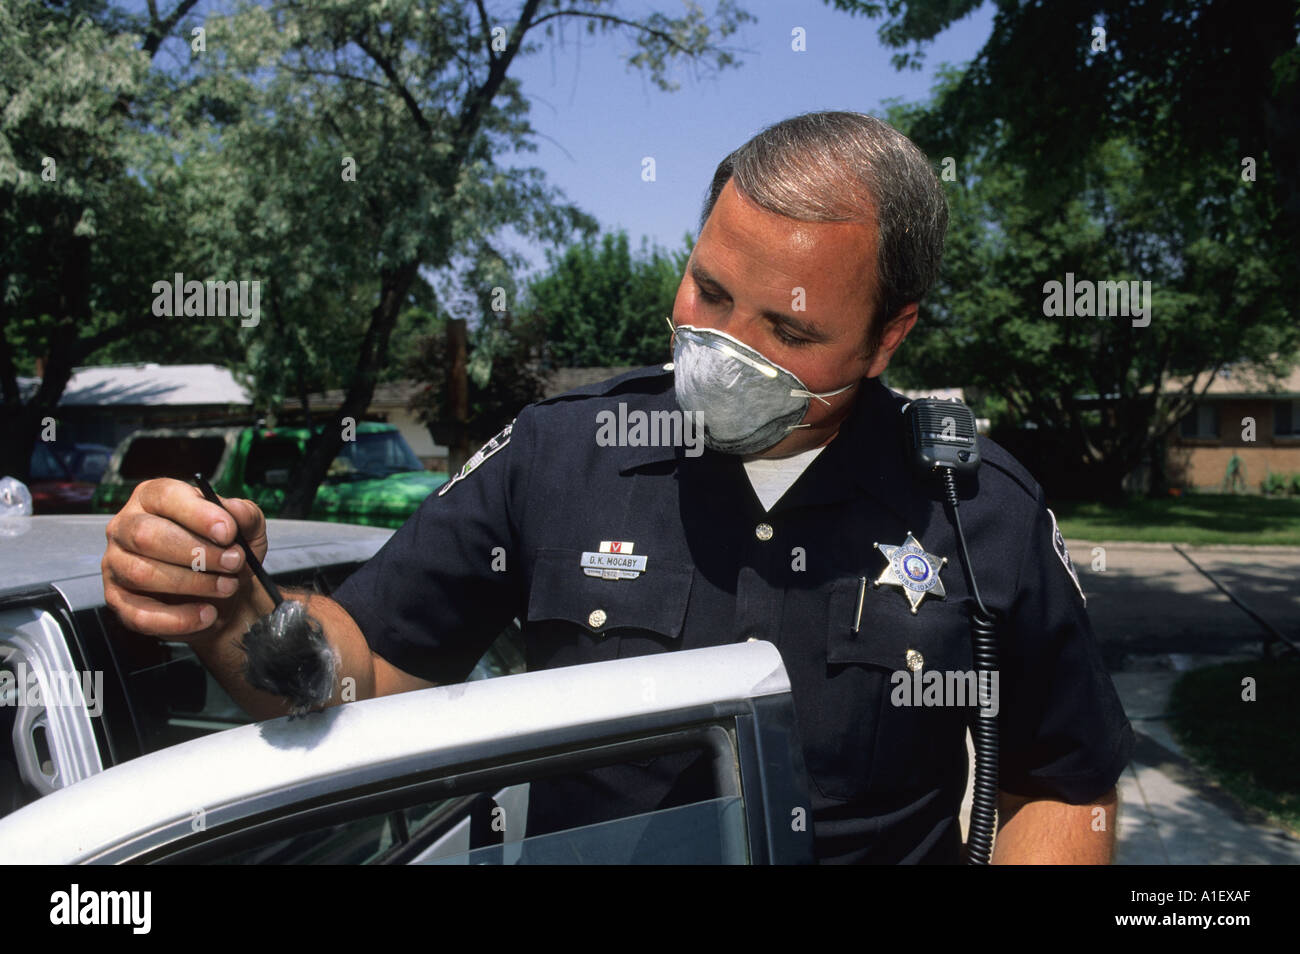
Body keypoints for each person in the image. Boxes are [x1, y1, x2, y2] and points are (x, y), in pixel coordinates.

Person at [102, 111, 1134, 864]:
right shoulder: (559, 455)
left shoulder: (977, 508)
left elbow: (1062, 780)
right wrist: (229, 607)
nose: (724, 349)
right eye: (711, 292)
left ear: (888, 335)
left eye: (790, 329)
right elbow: (360, 670)